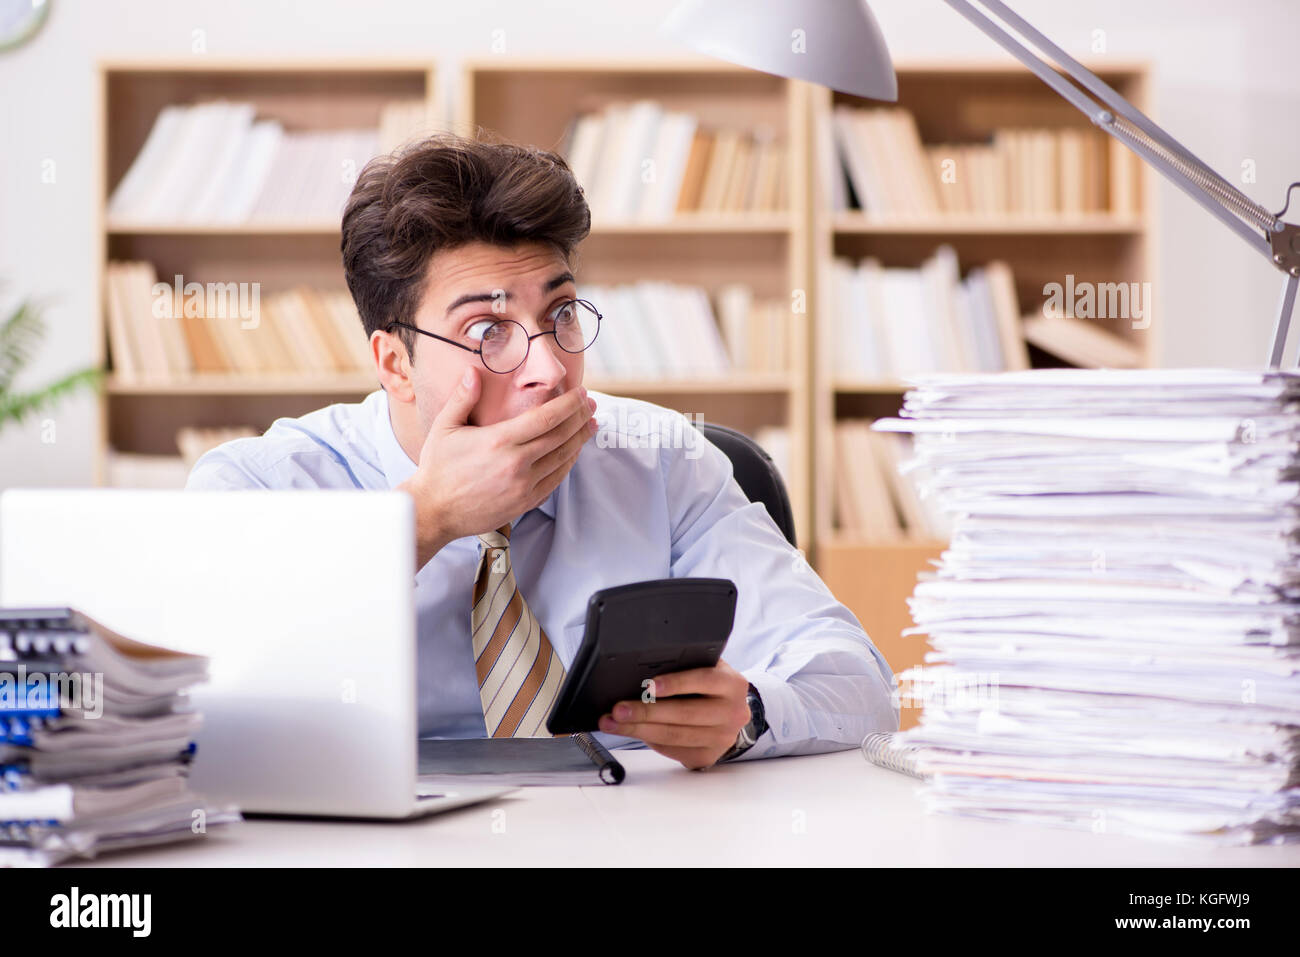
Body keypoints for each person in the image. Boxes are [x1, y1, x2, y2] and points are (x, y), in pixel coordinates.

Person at [186, 132, 897, 770]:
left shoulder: (662, 462)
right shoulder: (263, 486)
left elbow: (860, 684)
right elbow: (192, 701)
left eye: (560, 314)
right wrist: (426, 517)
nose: (551, 368)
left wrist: (748, 715)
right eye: (488, 329)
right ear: (395, 363)